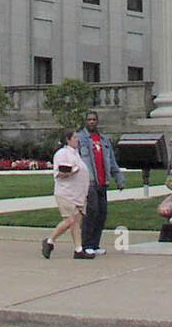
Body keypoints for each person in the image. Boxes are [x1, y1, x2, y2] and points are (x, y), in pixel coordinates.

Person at [75, 110, 125, 256]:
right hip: (89, 183)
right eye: (89, 119)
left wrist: (119, 178)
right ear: (86, 121)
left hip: (103, 182)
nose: (92, 122)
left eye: (94, 119)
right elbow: (75, 160)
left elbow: (112, 162)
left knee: (102, 214)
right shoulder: (80, 139)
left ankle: (95, 244)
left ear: (97, 121)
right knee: (91, 213)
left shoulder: (104, 140)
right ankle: (86, 245)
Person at [42, 131, 92, 260]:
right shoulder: (62, 154)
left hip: (78, 194)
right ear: (67, 139)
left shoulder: (76, 154)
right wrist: (74, 170)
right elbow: (61, 173)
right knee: (70, 220)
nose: (77, 140)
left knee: (76, 223)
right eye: (75, 137)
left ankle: (78, 249)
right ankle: (49, 241)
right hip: (66, 193)